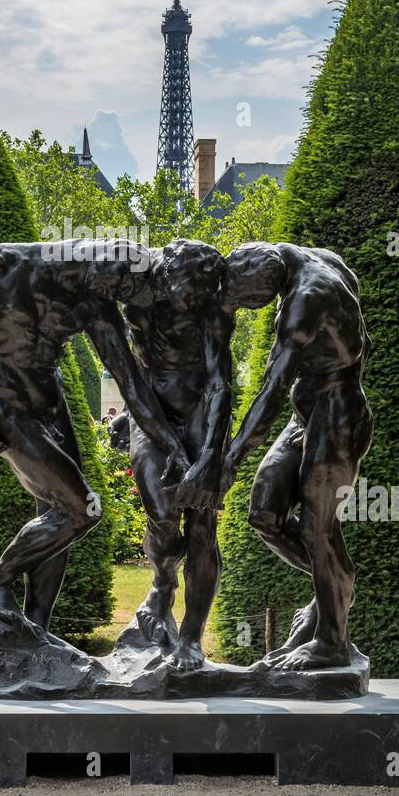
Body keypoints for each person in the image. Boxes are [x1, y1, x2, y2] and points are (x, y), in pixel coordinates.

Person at [0, 238, 192, 637]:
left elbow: (130, 383)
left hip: (51, 407)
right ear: (95, 269)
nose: (113, 303)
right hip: (5, 406)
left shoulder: (95, 302)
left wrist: (171, 444)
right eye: (115, 292)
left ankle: (35, 631)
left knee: (54, 515)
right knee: (80, 510)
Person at [219, 242, 373, 671]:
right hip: (307, 410)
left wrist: (231, 457)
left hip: (337, 412)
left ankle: (331, 641)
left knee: (316, 527)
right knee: (264, 514)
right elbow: (362, 339)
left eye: (249, 302)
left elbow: (271, 388)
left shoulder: (305, 299)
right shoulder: (318, 259)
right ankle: (334, 589)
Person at [122, 239, 232, 671]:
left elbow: (221, 383)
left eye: (197, 295)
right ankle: (163, 583)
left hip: (201, 408)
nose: (189, 302)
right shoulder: (139, 299)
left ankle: (191, 637)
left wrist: (210, 456)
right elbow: (130, 375)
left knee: (203, 522)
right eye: (183, 291)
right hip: (152, 409)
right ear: (165, 276)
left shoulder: (213, 309)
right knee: (160, 509)